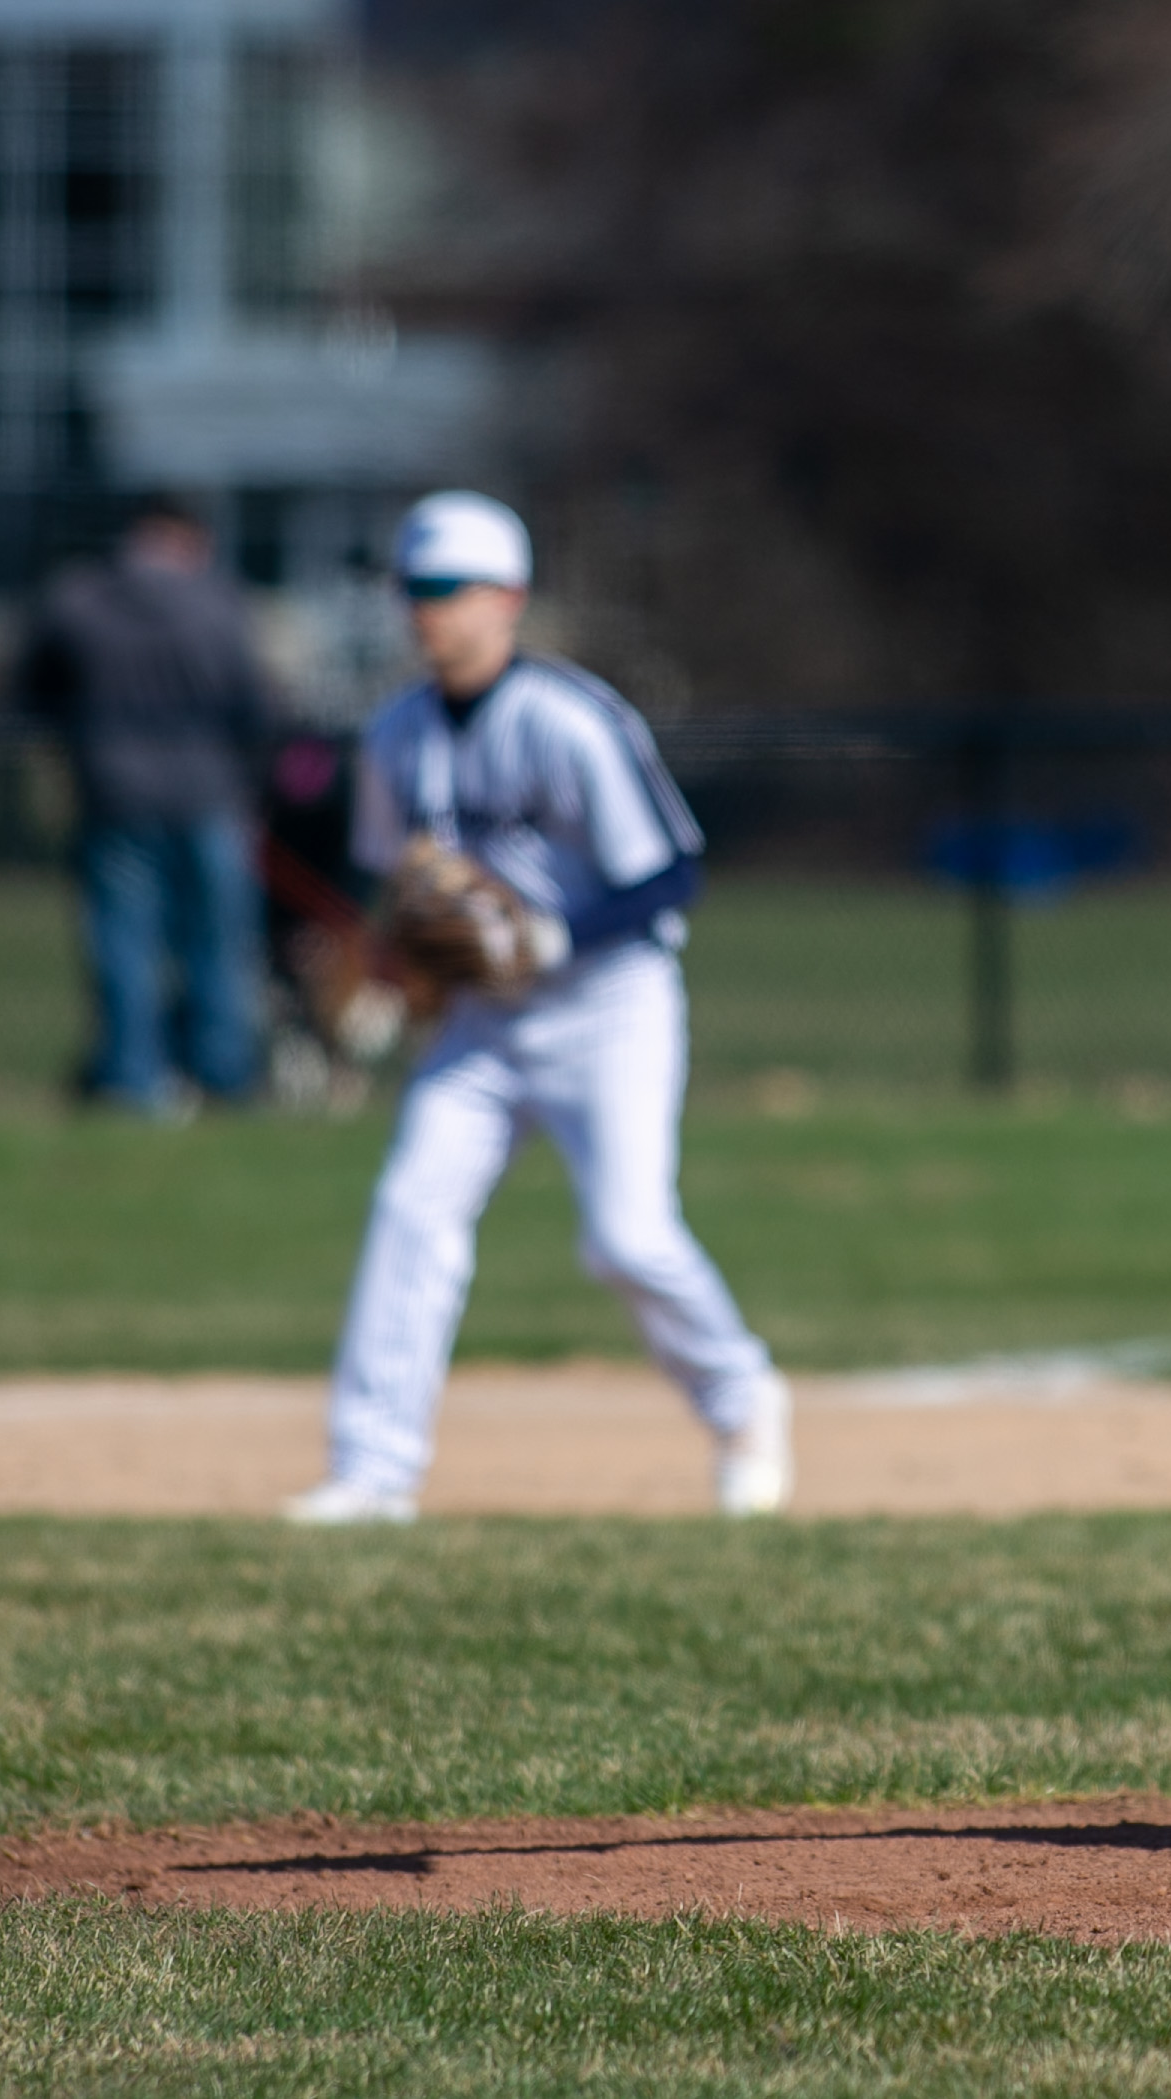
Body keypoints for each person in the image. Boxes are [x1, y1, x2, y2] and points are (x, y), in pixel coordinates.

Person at [283, 491, 792, 1523]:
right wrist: (395, 976)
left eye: (448, 590)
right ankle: (374, 1470)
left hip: (608, 1006)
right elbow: (410, 896)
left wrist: (557, 935)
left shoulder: (571, 718)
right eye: (413, 591)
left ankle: (743, 1401)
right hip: (483, 1021)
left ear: (507, 598)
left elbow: (670, 875)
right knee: (412, 1209)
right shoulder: (396, 734)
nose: (428, 611)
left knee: (627, 1237)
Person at [14, 493, 272, 1115]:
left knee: (124, 945)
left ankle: (135, 1080)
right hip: (209, 794)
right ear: (188, 540)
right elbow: (257, 707)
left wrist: (72, 746)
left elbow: (29, 688)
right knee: (219, 944)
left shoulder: (78, 600)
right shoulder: (219, 604)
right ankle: (224, 1076)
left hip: (114, 793)